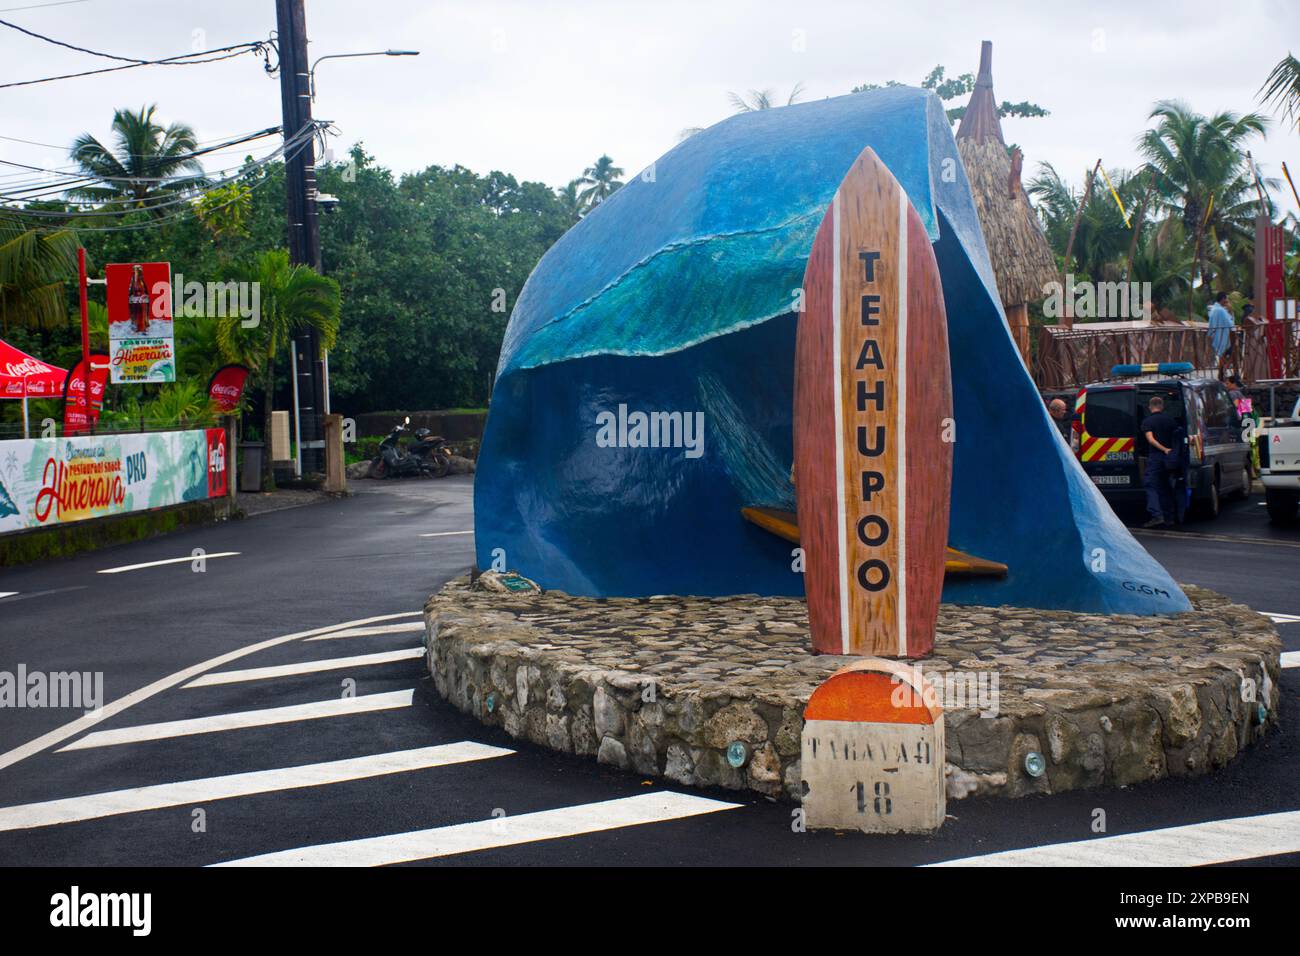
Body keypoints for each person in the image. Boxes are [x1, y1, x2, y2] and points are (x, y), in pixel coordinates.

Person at [1141, 395, 1180, 528]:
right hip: (1170, 459)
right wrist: (1171, 452)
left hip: (1156, 456)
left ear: (1150, 407)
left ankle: (1157, 515)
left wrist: (1164, 449)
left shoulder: (1148, 422)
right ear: (1162, 406)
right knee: (1165, 486)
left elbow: (1151, 440)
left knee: (1150, 484)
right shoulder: (1171, 421)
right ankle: (1169, 516)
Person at [1207, 291, 1235, 378]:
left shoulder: (1214, 309)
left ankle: (1222, 373)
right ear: (1223, 299)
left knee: (1222, 355)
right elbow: (1230, 323)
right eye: (1226, 298)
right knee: (1226, 355)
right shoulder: (1220, 310)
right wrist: (1230, 311)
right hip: (1223, 335)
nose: (1227, 301)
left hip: (1218, 335)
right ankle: (1222, 373)